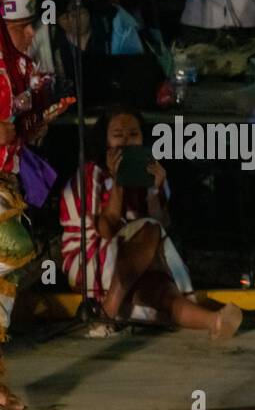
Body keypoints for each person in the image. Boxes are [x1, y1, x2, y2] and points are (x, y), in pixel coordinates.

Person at [59, 107, 243, 339]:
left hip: (132, 264)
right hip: (90, 259)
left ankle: (214, 321)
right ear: (104, 140)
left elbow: (161, 229)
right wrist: (118, 182)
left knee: (163, 292)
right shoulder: (91, 174)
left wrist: (155, 191)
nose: (126, 140)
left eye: (134, 134)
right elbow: (106, 230)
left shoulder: (151, 173)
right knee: (148, 229)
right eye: (118, 134)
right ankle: (108, 311)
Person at [0, 0, 47, 410]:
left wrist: (38, 121)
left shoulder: (24, 68)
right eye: (22, 27)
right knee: (15, 249)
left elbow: (17, 134)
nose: (32, 33)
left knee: (7, 283)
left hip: (9, 182)